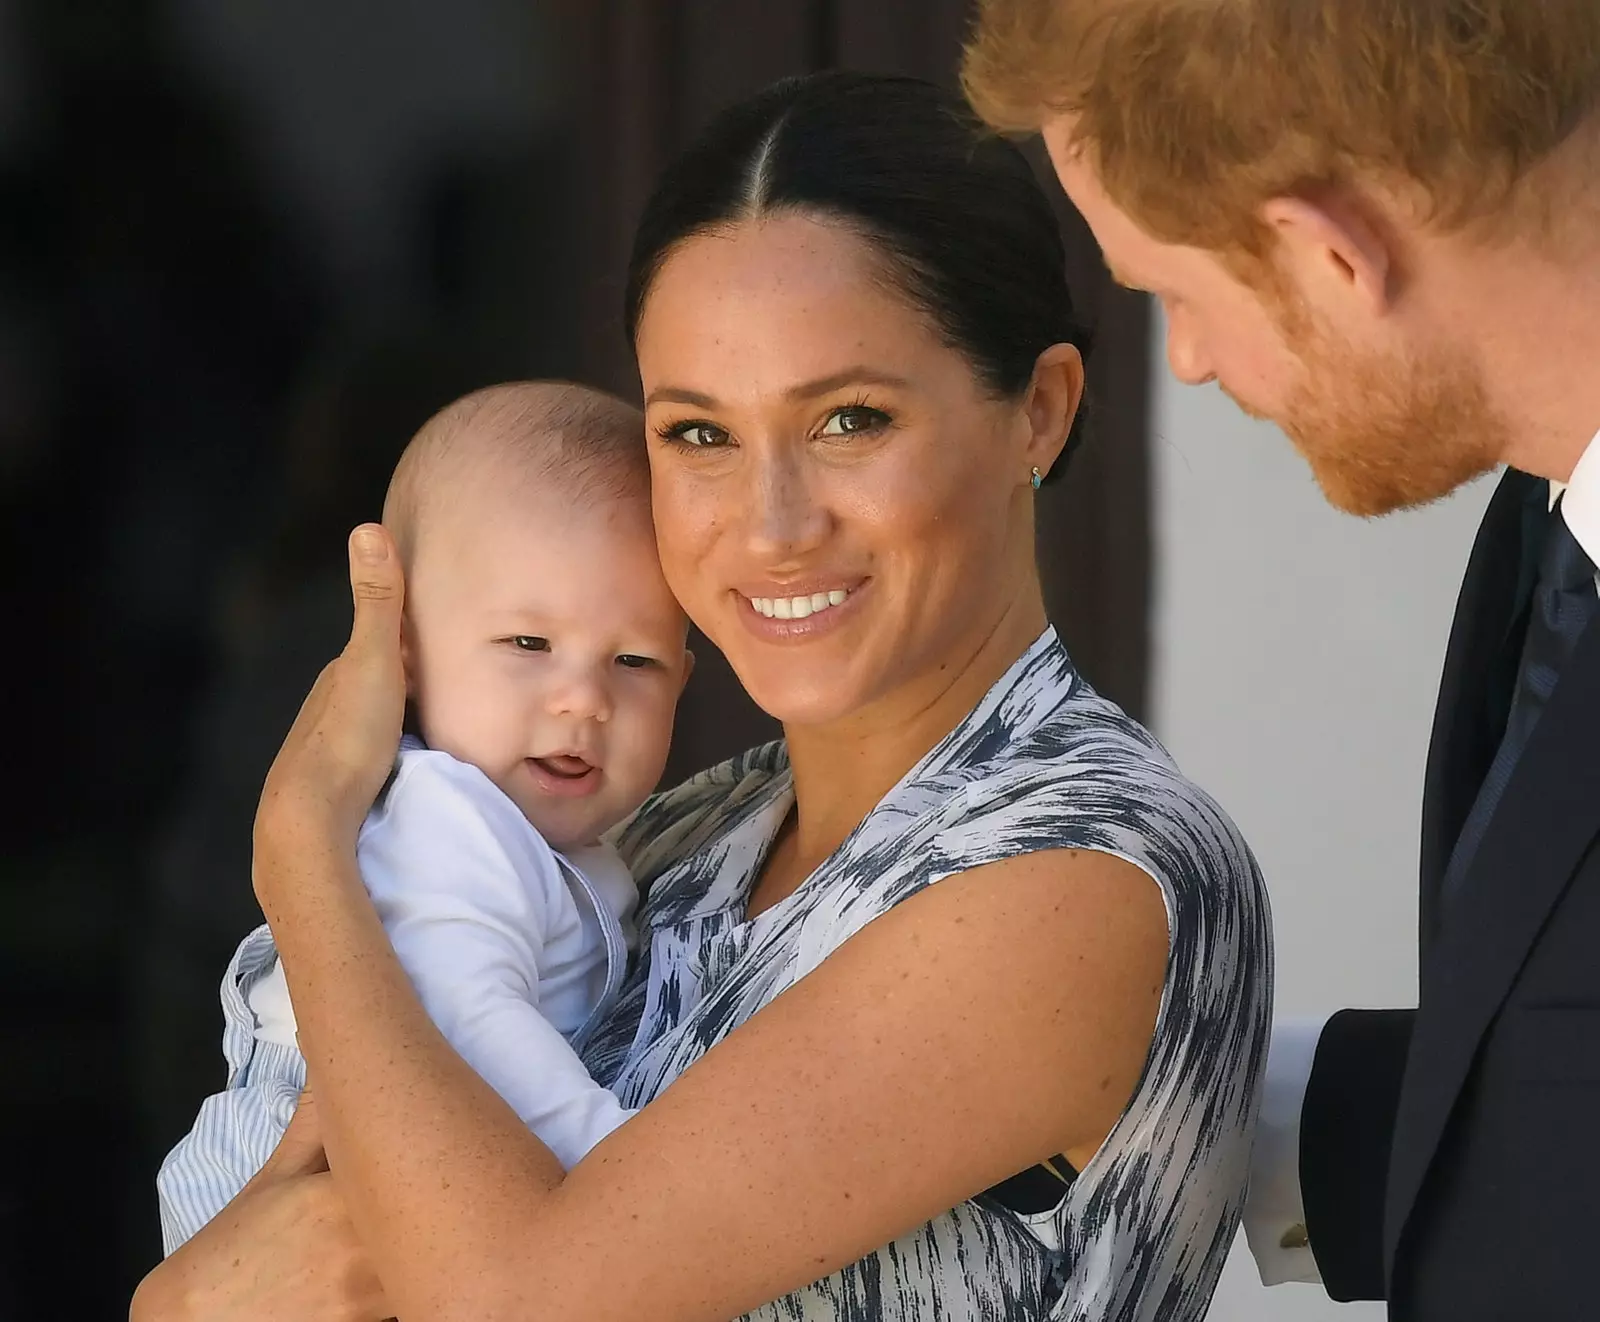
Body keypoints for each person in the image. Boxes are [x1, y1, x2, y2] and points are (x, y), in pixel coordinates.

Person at [131, 71, 1271, 1322]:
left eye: (848, 419)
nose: (770, 527)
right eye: (699, 435)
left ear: (1037, 413)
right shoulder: (680, 839)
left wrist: (302, 848)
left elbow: (518, 1297)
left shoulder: (1083, 870)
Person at [963, 3, 1600, 1320]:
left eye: (1175, 297)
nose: (1189, 364)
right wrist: (1169, 1101)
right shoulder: (1545, 523)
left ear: (1327, 252)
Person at [155, 380, 693, 1251]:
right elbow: (470, 1018)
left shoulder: (573, 844)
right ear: (402, 650)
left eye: (636, 661)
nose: (585, 699)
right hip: (298, 1179)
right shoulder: (447, 819)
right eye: (529, 644)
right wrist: (613, 1159)